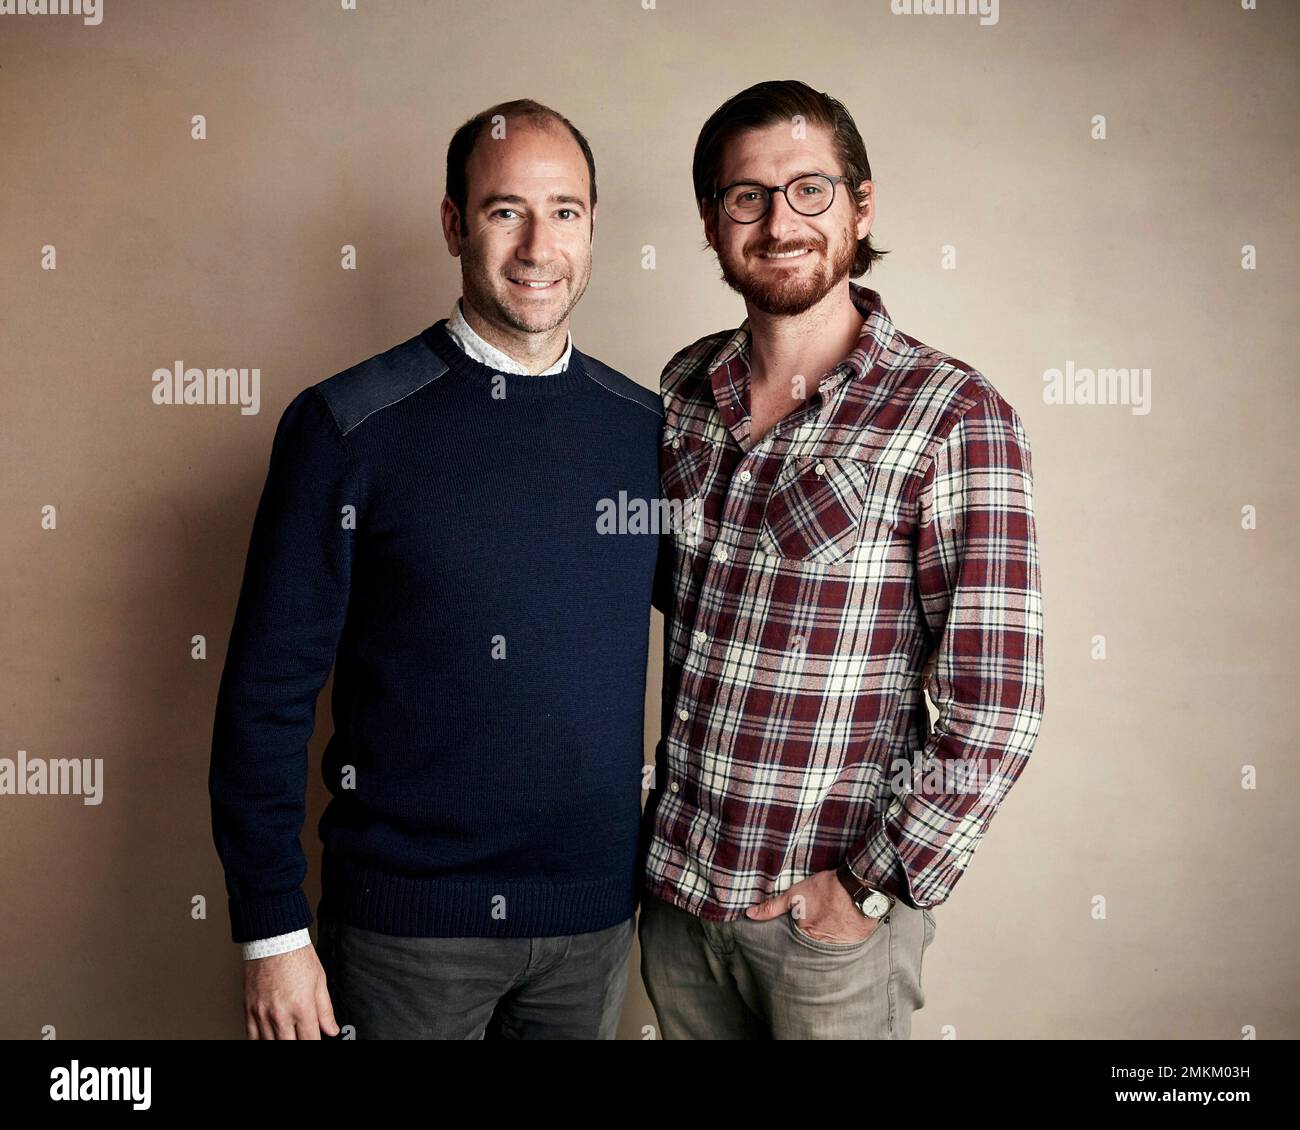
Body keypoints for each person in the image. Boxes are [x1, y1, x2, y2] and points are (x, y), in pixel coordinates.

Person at [209, 99, 662, 1040]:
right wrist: (271, 932)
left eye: (566, 212)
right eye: (506, 211)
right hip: (403, 933)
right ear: (455, 222)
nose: (540, 245)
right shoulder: (345, 427)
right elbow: (265, 695)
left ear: (593, 226)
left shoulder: (646, 433)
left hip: (593, 929)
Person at [638, 79, 1046, 1039]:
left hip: (825, 930)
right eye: (748, 196)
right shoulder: (683, 391)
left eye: (811, 190)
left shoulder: (955, 415)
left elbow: (1000, 708)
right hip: (677, 901)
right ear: (711, 222)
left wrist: (866, 885)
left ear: (863, 208)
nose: (780, 222)